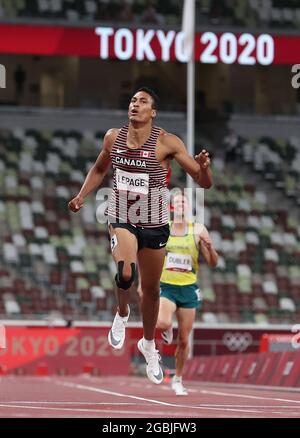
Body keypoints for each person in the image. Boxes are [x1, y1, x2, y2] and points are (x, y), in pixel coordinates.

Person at [68, 87, 212, 384]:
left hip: (156, 224)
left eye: (142, 101)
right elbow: (98, 169)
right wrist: (82, 195)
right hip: (122, 217)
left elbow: (202, 181)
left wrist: (206, 169)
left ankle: (148, 344)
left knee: (151, 291)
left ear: (153, 112)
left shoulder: (167, 142)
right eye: (132, 100)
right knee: (125, 273)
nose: (135, 104)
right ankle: (121, 314)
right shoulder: (112, 138)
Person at [155, 192, 219, 395]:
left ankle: (178, 379)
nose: (180, 203)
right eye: (176, 201)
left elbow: (213, 263)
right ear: (172, 207)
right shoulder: (164, 228)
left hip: (189, 288)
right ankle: (168, 328)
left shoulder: (198, 229)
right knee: (162, 323)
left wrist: (209, 248)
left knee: (184, 340)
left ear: (188, 205)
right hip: (167, 286)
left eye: (183, 200)